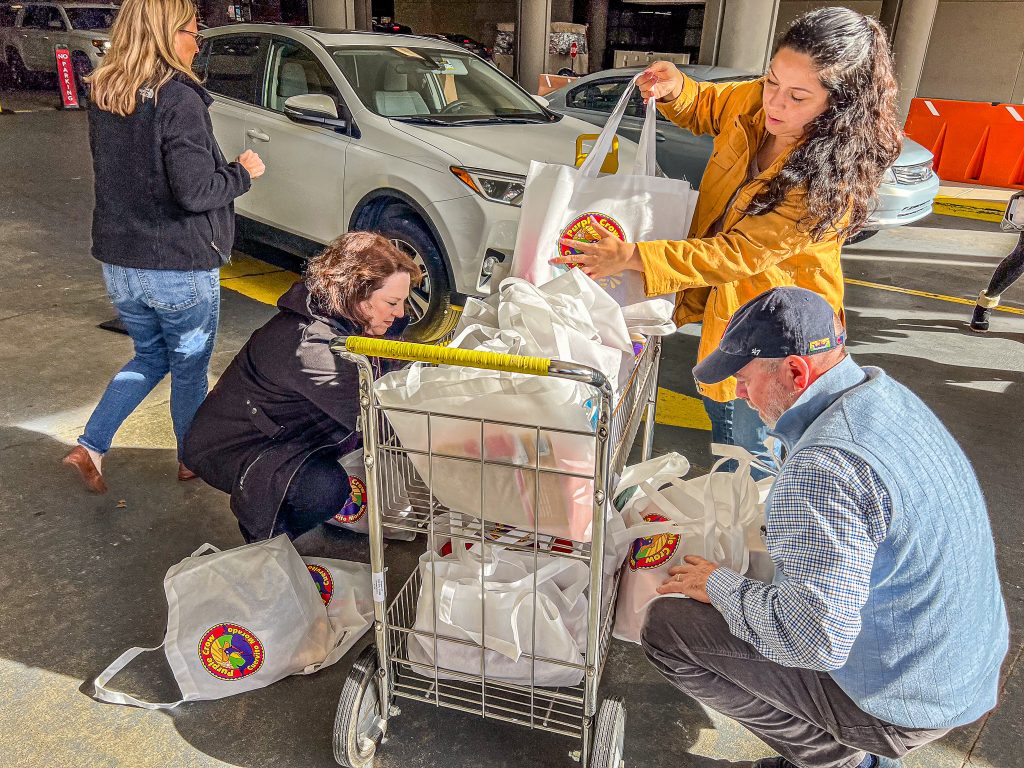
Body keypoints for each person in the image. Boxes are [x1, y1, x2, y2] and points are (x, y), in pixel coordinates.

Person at [641, 286, 1009, 768]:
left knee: (668, 629)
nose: (738, 392)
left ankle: (839, 761)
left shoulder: (823, 466)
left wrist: (720, 585)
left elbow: (813, 639)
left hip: (907, 701)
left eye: (745, 378)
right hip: (964, 664)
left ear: (795, 372)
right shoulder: (881, 395)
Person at [554, 7, 902, 468]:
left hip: (780, 334)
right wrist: (677, 88)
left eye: (798, 97)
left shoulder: (825, 180)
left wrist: (632, 256)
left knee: (750, 449)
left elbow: (735, 253)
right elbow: (708, 105)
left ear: (839, 105)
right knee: (730, 424)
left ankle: (761, 529)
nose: (775, 104)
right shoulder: (754, 102)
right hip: (731, 308)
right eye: (772, 81)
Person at [62, 0, 264, 493]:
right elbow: (196, 192)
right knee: (189, 369)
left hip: (121, 262)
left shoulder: (109, 94)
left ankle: (90, 445)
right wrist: (242, 172)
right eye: (194, 31)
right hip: (176, 263)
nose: (199, 41)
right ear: (168, 34)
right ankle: (191, 459)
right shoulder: (178, 99)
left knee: (151, 357)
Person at [182, 232, 419, 543]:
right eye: (392, 302)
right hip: (234, 446)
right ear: (355, 293)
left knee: (335, 470)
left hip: (285, 429)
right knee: (325, 489)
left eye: (403, 301)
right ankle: (269, 539)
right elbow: (376, 420)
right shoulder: (311, 347)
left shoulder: (341, 317)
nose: (400, 313)